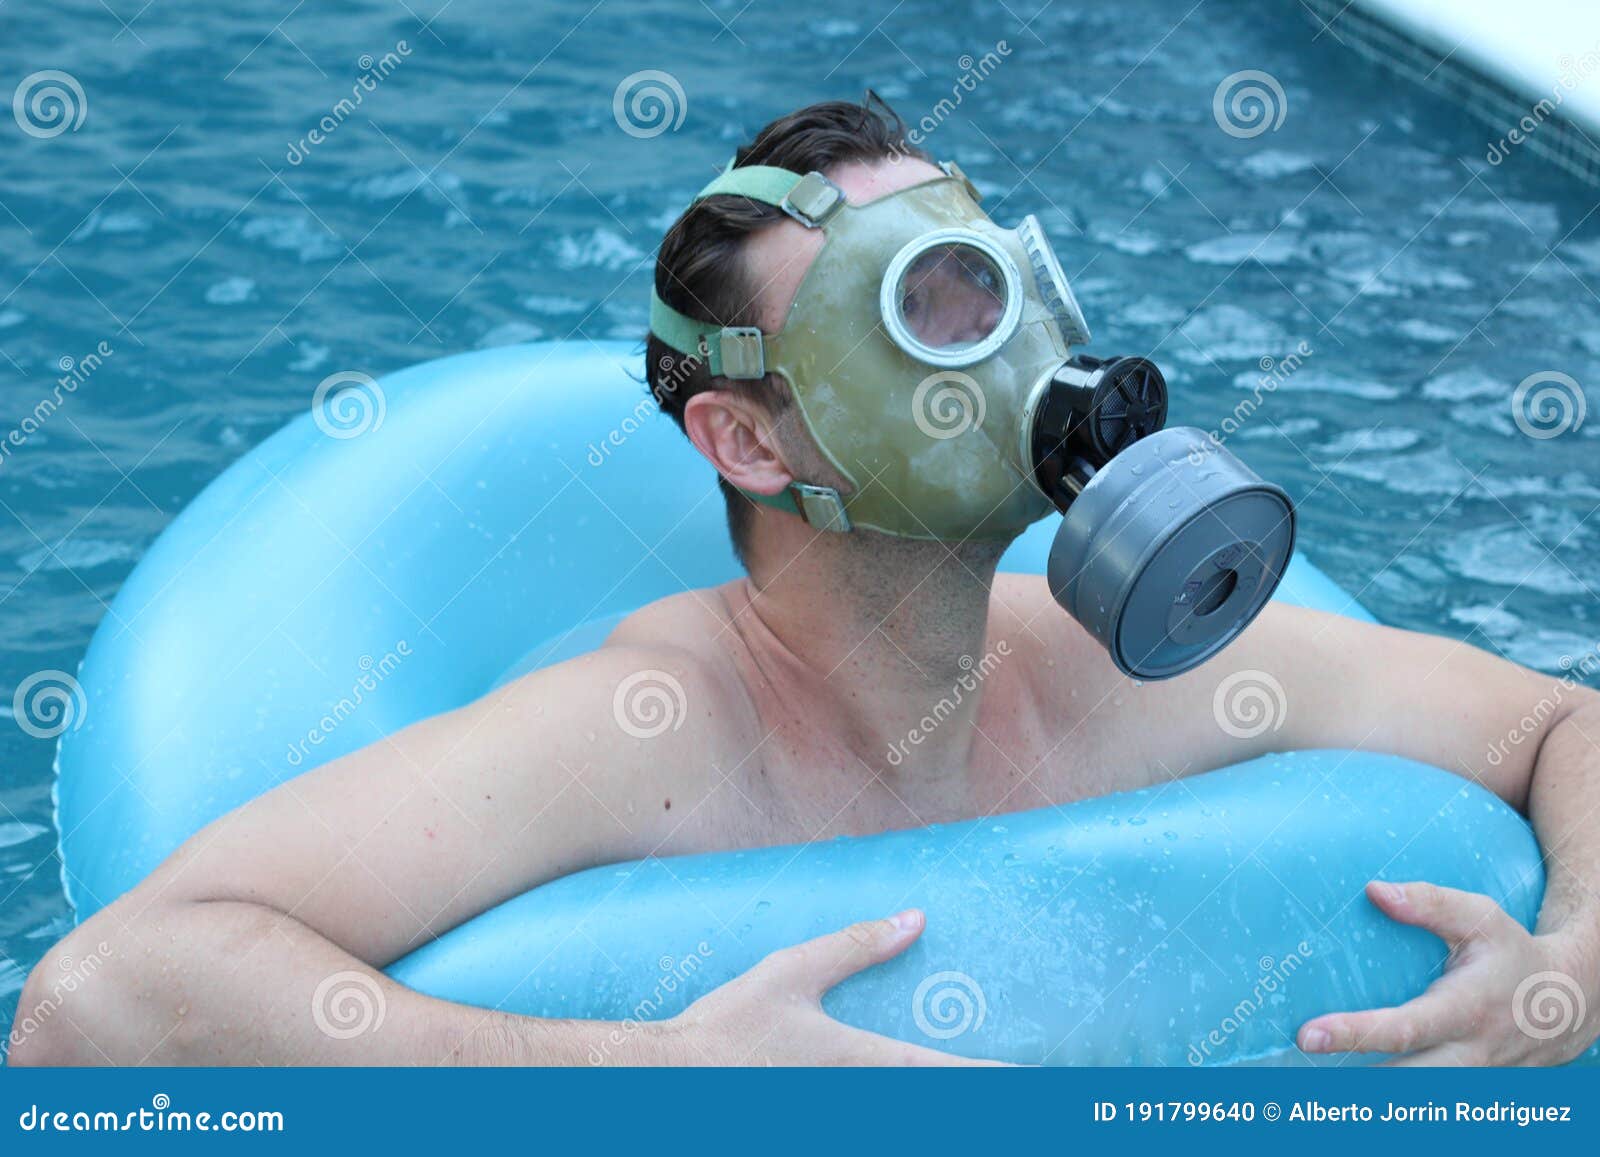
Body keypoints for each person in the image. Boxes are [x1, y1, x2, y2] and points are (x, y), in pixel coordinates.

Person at [12, 97, 1598, 1067]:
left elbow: (1564, 725)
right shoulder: (646, 734)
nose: (1007, 355)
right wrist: (649, 1073)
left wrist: (1571, 975)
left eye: (997, 287)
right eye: (923, 309)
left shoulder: (1115, 671)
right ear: (749, 438)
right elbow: (97, 1001)